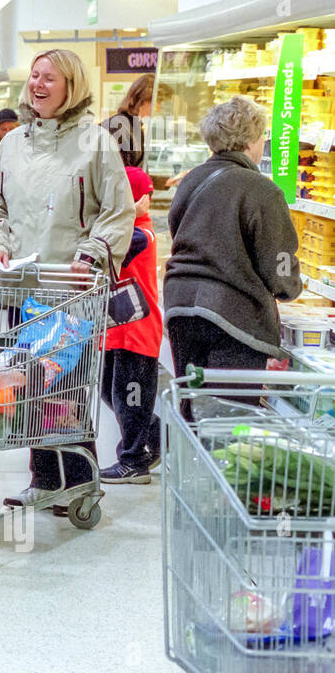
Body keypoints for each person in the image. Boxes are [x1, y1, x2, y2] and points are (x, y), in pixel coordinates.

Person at [0, 48, 136, 507]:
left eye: (50, 77)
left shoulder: (97, 143)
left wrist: (91, 255)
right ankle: (44, 480)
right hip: (21, 286)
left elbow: (117, 211)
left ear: (72, 87)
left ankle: (80, 480)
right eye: (34, 75)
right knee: (25, 385)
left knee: (67, 386)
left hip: (70, 291)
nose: (38, 84)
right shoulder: (11, 144)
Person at [163, 95, 302, 418]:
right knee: (229, 415)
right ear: (251, 139)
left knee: (192, 406)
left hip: (181, 305)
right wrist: (290, 288)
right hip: (231, 314)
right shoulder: (261, 190)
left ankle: (192, 467)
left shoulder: (191, 180)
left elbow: (178, 229)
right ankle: (220, 467)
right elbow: (278, 260)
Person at [98, 168, 163, 485]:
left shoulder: (142, 232)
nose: (145, 201)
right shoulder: (125, 227)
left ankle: (133, 460)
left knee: (128, 397)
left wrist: (124, 213)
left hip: (137, 331)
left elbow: (110, 250)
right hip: (115, 329)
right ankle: (155, 432)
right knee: (109, 392)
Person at [100, 73, 165, 168]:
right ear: (143, 99)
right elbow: (115, 172)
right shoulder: (117, 125)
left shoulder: (136, 125)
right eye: (158, 101)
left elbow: (137, 167)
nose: (159, 107)